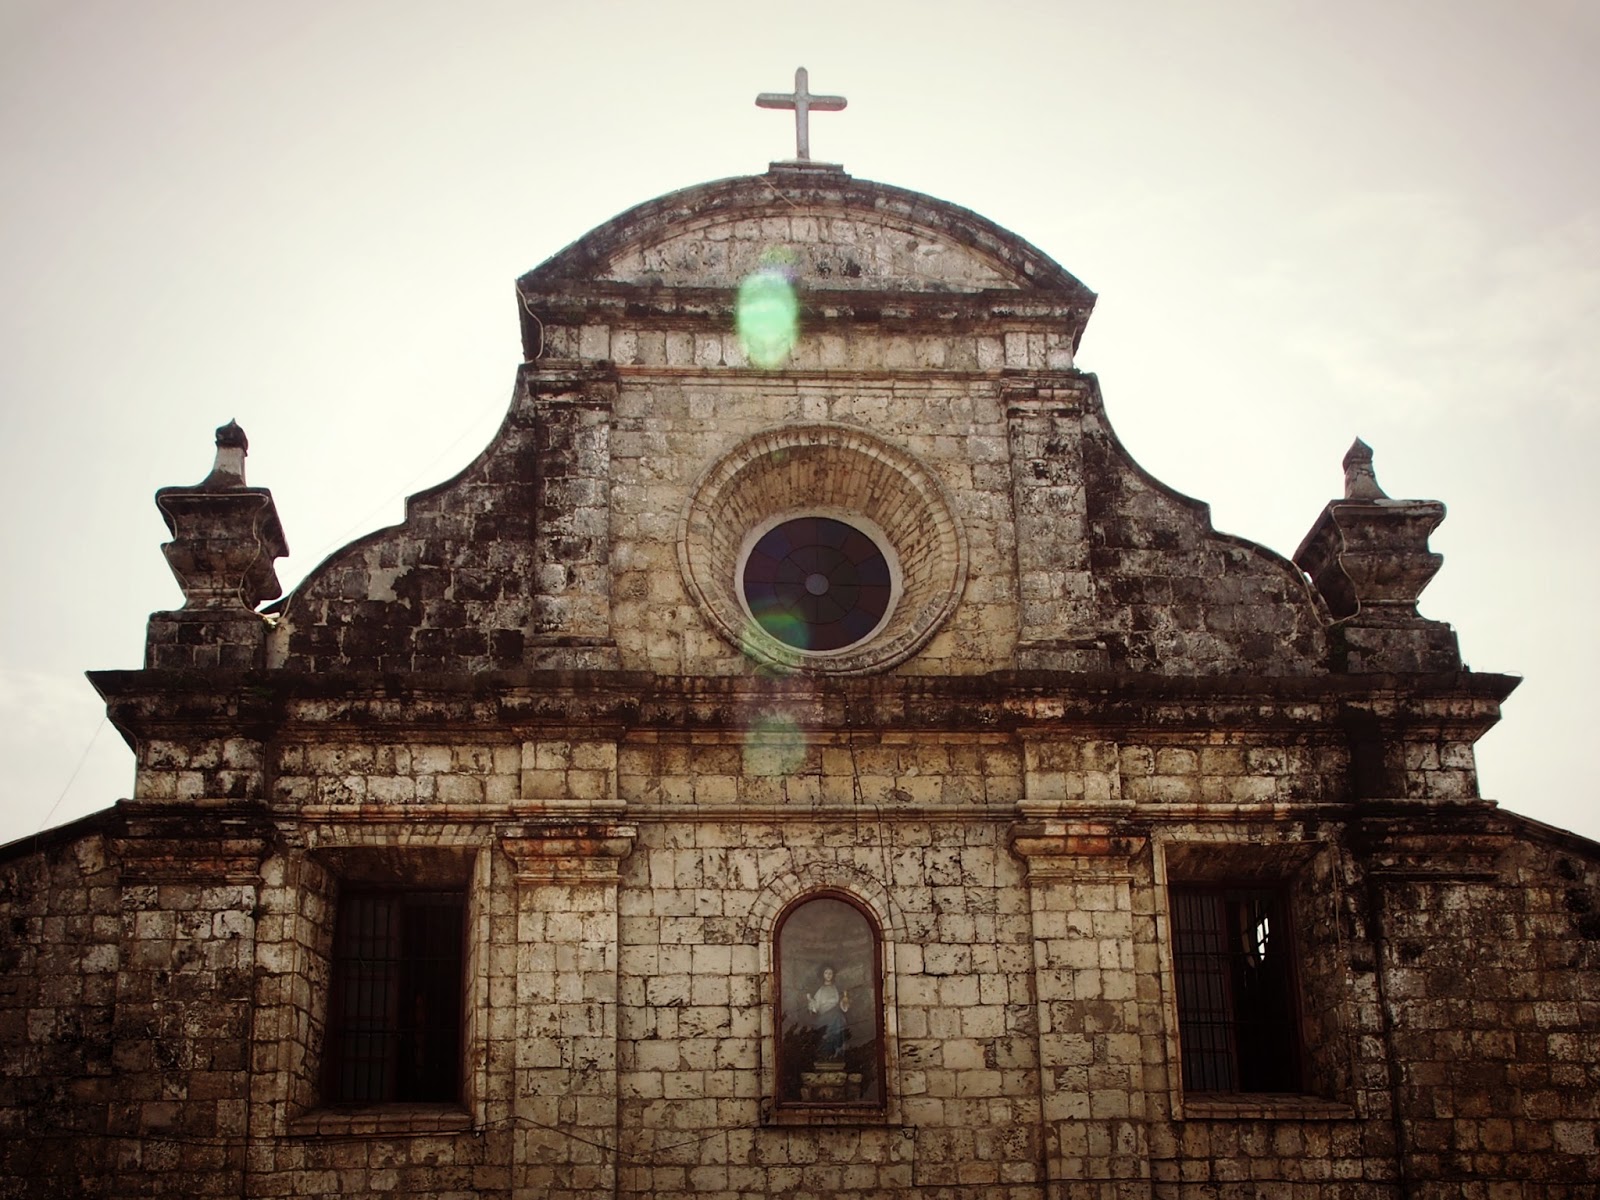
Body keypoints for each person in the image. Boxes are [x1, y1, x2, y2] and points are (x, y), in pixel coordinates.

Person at [806, 965, 851, 1057]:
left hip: (835, 1015)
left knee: (839, 1017)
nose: (828, 975)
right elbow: (815, 1007)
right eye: (826, 973)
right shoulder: (820, 990)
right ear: (823, 975)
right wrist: (810, 1000)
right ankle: (828, 1051)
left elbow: (843, 1006)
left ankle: (836, 1050)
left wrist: (845, 1000)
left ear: (833, 975)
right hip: (823, 1018)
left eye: (830, 973)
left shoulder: (836, 989)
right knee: (837, 1017)